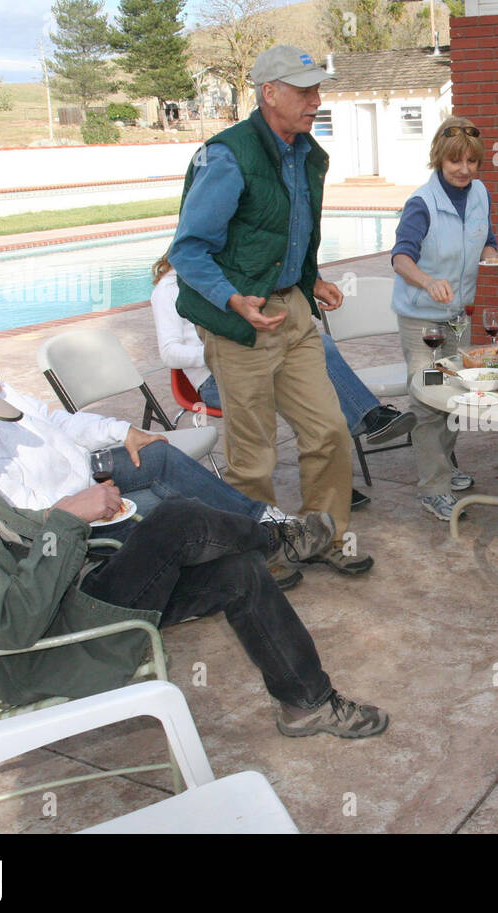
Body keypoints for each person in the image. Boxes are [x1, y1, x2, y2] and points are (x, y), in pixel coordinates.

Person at [0, 358, 389, 738]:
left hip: (64, 605)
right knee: (178, 519)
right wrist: (68, 521)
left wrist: (73, 514)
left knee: (237, 569)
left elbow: (25, 529)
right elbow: (11, 627)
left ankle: (307, 702)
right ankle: (283, 540)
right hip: (47, 651)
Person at [0, 330, 333, 590]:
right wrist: (87, 500)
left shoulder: (4, 397)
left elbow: (58, 421)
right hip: (76, 515)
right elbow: (31, 518)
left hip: (88, 474)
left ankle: (275, 525)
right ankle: (264, 545)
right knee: (175, 512)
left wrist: (122, 432)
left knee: (157, 453)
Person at [168, 44, 372, 576]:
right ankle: (257, 552)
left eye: (317, 90)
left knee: (328, 430)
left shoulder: (307, 153)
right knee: (253, 453)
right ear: (270, 93)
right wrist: (232, 299)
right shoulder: (229, 156)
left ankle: (323, 536)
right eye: (305, 91)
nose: (315, 100)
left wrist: (311, 280)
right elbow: (188, 249)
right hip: (240, 324)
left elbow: (292, 233)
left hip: (293, 314)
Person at [149, 255, 415, 510]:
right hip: (215, 380)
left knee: (313, 357)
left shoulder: (229, 279)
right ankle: (366, 423)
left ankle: (359, 434)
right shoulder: (169, 288)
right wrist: (229, 351)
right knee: (298, 392)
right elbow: (169, 352)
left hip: (257, 362)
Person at [391, 115, 498, 521]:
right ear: (439, 158)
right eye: (456, 161)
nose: (464, 170)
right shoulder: (422, 203)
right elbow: (401, 257)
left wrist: (493, 256)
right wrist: (427, 281)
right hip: (423, 324)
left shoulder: (480, 194)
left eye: (472, 161)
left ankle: (444, 466)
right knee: (427, 401)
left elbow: (486, 239)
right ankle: (433, 488)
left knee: (453, 398)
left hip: (457, 318)